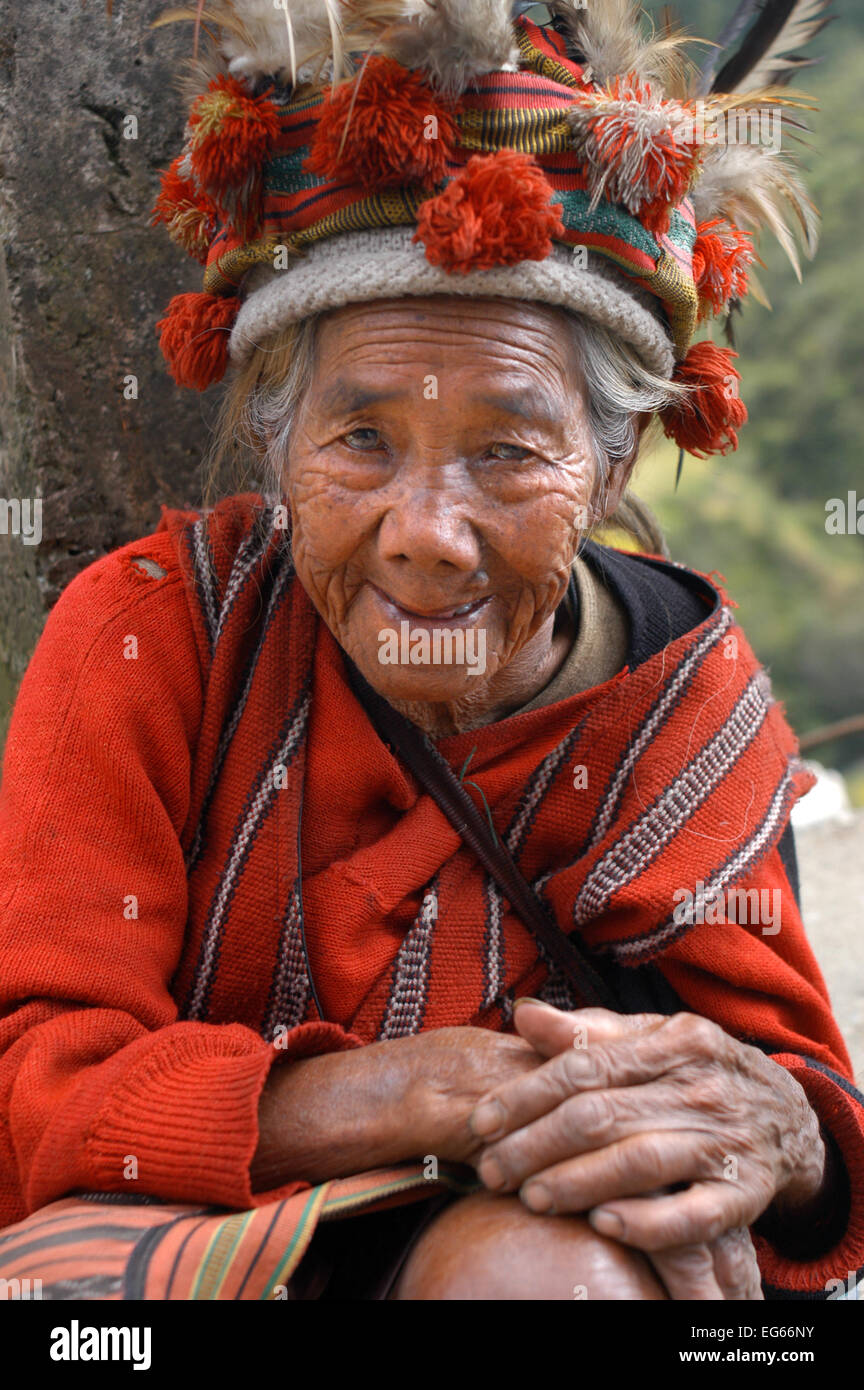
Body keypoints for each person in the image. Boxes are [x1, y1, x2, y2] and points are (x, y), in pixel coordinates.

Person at [0, 0, 861, 1301]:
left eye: (509, 450)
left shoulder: (679, 692)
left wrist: (776, 1135)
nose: (428, 536)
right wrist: (428, 1087)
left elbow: (803, 1111)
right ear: (276, 444)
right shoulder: (153, 636)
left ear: (613, 461)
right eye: (359, 443)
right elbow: (44, 1088)